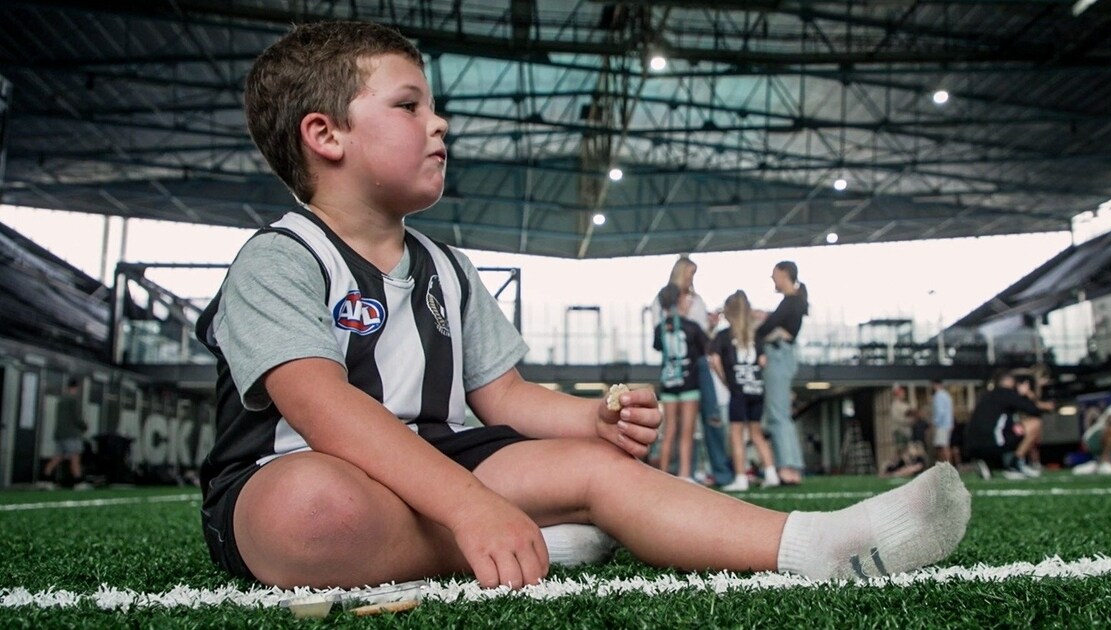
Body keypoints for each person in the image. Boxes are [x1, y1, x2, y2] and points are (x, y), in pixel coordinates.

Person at [195, 21, 971, 591]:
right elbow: (325, 411)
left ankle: (816, 544)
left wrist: (587, 421)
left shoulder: (448, 269)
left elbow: (502, 396)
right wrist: (469, 505)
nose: (440, 123)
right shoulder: (279, 260)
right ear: (325, 135)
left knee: (597, 467)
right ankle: (514, 537)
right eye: (409, 105)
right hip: (298, 473)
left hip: (443, 463)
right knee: (312, 511)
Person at [664, 256, 733, 486]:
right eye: (689, 273)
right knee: (680, 425)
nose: (692, 278)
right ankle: (680, 473)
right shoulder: (664, 298)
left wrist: (710, 325)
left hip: (695, 366)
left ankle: (715, 472)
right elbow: (662, 333)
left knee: (710, 418)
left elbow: (703, 337)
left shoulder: (698, 300)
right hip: (679, 370)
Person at [709, 291, 781, 491]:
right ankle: (771, 473)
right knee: (757, 434)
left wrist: (726, 381)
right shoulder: (755, 336)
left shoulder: (724, 336)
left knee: (736, 434)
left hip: (738, 391)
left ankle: (741, 478)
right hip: (756, 389)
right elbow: (763, 362)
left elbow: (714, 360)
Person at [756, 261, 807, 485]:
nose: (772, 279)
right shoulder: (794, 302)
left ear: (785, 274)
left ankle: (787, 468)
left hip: (778, 356)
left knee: (778, 415)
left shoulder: (791, 301)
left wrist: (764, 323)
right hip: (783, 356)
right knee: (781, 414)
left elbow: (768, 329)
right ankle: (790, 466)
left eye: (774, 274)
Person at [652, 284, 708, 482]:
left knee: (668, 431)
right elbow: (704, 349)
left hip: (668, 383)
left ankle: (664, 474)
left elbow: (658, 347)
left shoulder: (659, 328)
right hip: (689, 384)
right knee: (687, 431)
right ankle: (684, 474)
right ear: (679, 301)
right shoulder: (692, 327)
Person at [963, 372, 1053, 480]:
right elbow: (1034, 410)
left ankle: (986, 463)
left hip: (971, 446)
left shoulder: (987, 395)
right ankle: (1014, 465)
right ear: (1011, 383)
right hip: (994, 443)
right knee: (1035, 424)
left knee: (1008, 427)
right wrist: (1028, 394)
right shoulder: (1008, 394)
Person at [40, 378, 90, 490]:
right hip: (71, 434)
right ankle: (79, 482)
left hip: (60, 434)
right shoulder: (73, 400)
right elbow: (77, 418)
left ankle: (44, 479)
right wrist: (84, 426)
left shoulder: (61, 400)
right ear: (77, 387)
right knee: (75, 457)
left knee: (57, 457)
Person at [931, 380, 954, 463]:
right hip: (947, 425)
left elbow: (940, 412)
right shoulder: (947, 395)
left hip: (941, 425)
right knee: (943, 446)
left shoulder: (939, 395)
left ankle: (946, 468)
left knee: (942, 447)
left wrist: (935, 422)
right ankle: (944, 467)